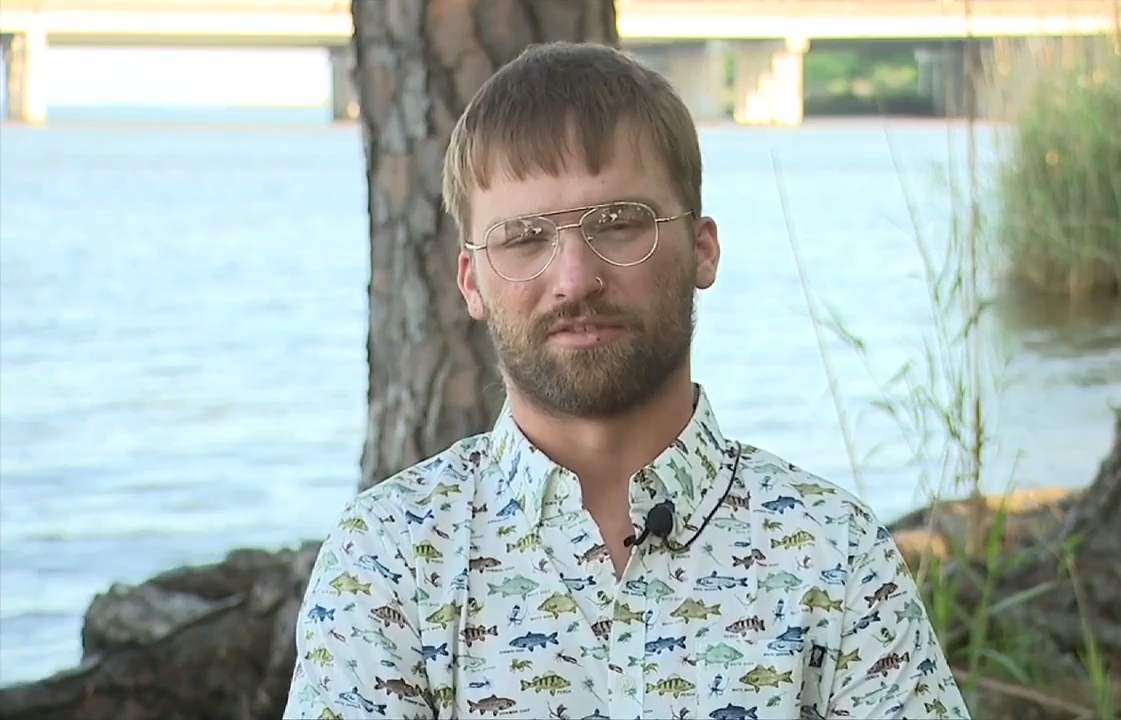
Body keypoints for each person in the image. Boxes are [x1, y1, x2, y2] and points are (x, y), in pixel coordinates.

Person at [283, 41, 971, 720]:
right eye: (523, 238)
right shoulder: (389, 558)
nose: (576, 280)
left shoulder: (832, 554)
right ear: (471, 281)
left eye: (618, 224)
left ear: (703, 249)